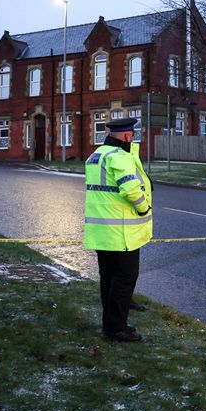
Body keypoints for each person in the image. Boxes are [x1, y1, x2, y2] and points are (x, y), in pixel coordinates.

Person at [84, 118, 152, 342]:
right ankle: (116, 328)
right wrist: (144, 208)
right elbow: (131, 189)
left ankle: (110, 324)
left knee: (108, 279)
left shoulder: (96, 155)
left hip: (101, 232)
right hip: (121, 234)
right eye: (131, 135)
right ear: (127, 136)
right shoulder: (120, 156)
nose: (132, 139)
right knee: (124, 279)